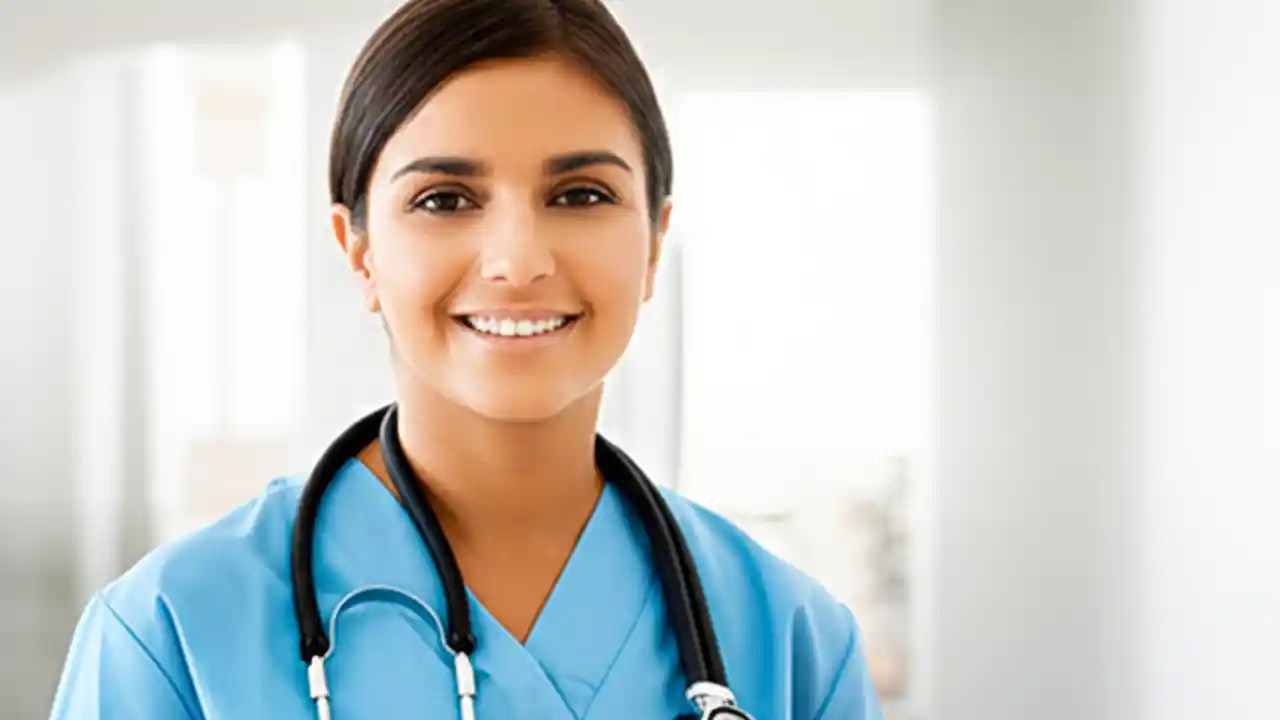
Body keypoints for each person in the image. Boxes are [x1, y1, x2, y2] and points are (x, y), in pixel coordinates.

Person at [50, 1, 883, 717]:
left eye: (581, 195)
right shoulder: (171, 636)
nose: (517, 259)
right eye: (444, 200)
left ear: (656, 241)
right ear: (359, 250)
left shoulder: (789, 644)